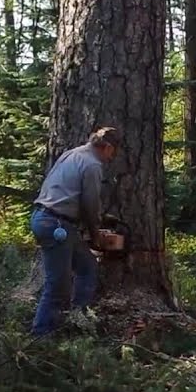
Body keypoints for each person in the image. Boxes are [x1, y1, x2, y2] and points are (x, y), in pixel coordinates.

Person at [29, 127, 121, 335]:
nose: (111, 157)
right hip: (57, 225)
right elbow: (90, 204)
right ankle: (40, 336)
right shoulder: (92, 165)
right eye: (112, 152)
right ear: (106, 147)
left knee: (87, 266)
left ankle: (77, 318)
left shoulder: (72, 154)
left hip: (45, 218)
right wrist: (96, 233)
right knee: (57, 285)